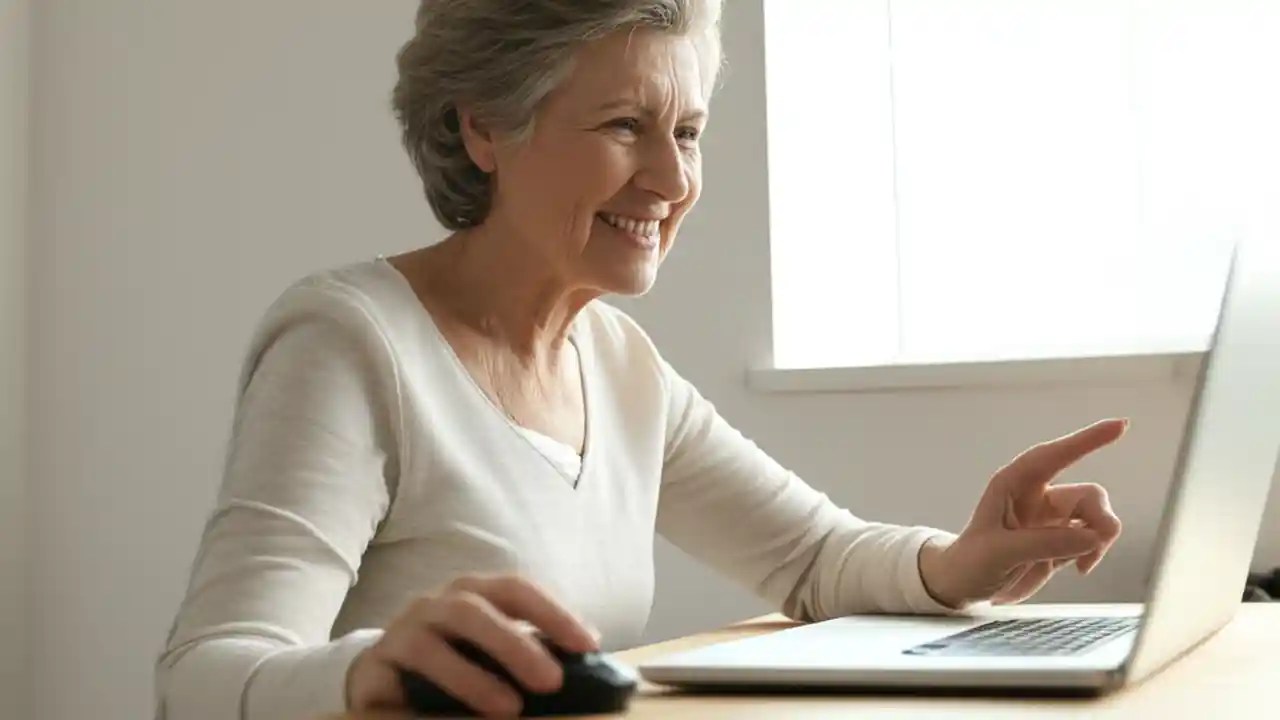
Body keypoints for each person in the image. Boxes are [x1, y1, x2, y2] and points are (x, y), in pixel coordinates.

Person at [155, 1, 1126, 718]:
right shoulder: (353, 341)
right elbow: (201, 676)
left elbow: (812, 557)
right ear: (483, 126)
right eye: (624, 126)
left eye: (688, 132)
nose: (670, 180)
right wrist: (366, 672)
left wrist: (962, 561)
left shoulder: (614, 362)